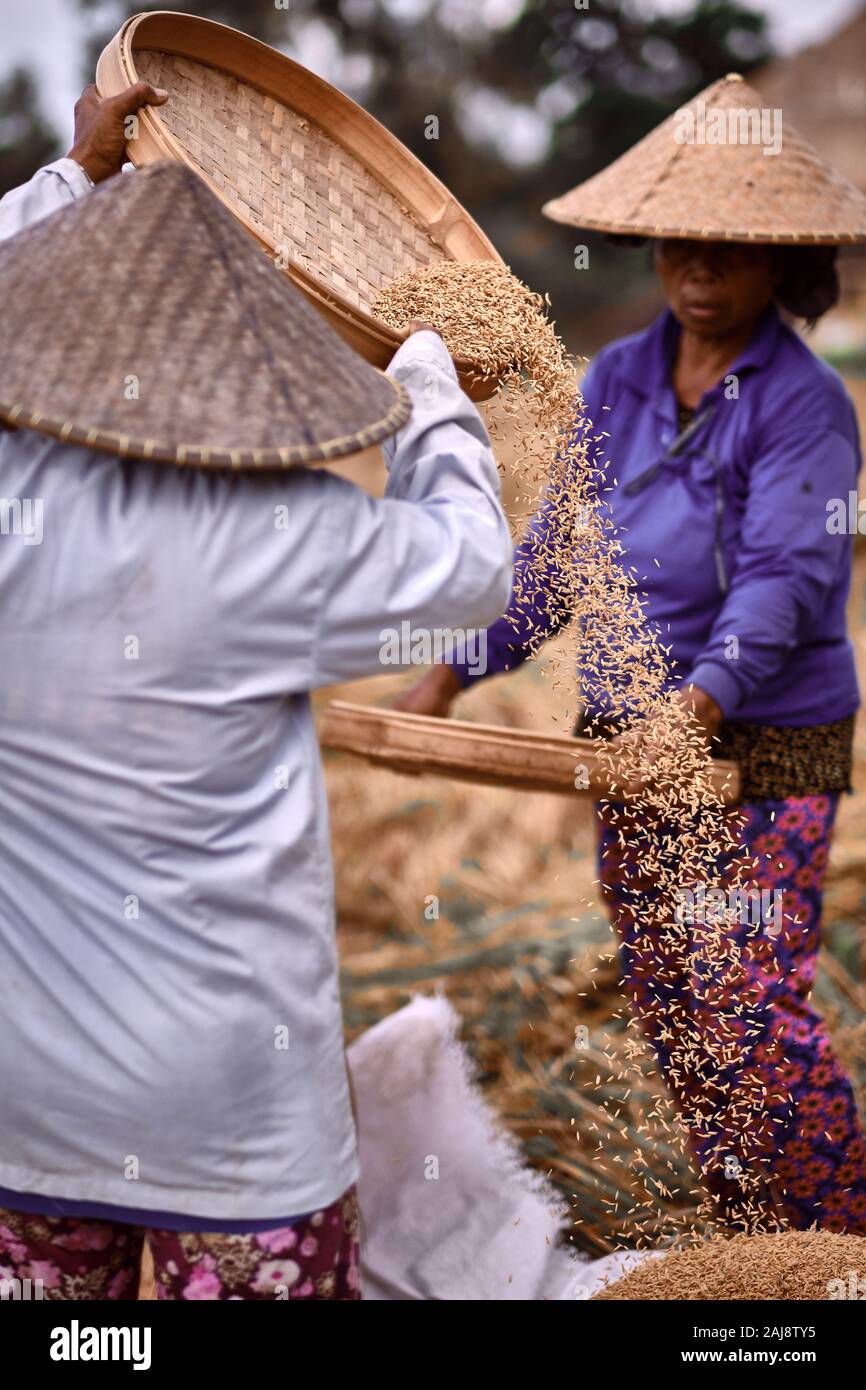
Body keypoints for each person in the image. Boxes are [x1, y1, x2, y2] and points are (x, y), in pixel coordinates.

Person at [0, 86, 512, 1299]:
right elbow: (470, 569)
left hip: (29, 1104)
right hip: (233, 1131)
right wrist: (430, 385)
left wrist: (69, 179)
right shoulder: (274, 538)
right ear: (238, 363)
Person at [399, 74, 866, 1233]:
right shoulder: (614, 379)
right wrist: (453, 667)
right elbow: (560, 553)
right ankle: (747, 1230)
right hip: (631, 745)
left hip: (753, 744)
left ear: (778, 268)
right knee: (670, 996)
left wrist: (698, 707)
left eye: (724, 251)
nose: (695, 271)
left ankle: (834, 1238)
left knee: (745, 995)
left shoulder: (803, 404)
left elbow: (785, 575)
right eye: (676, 247)